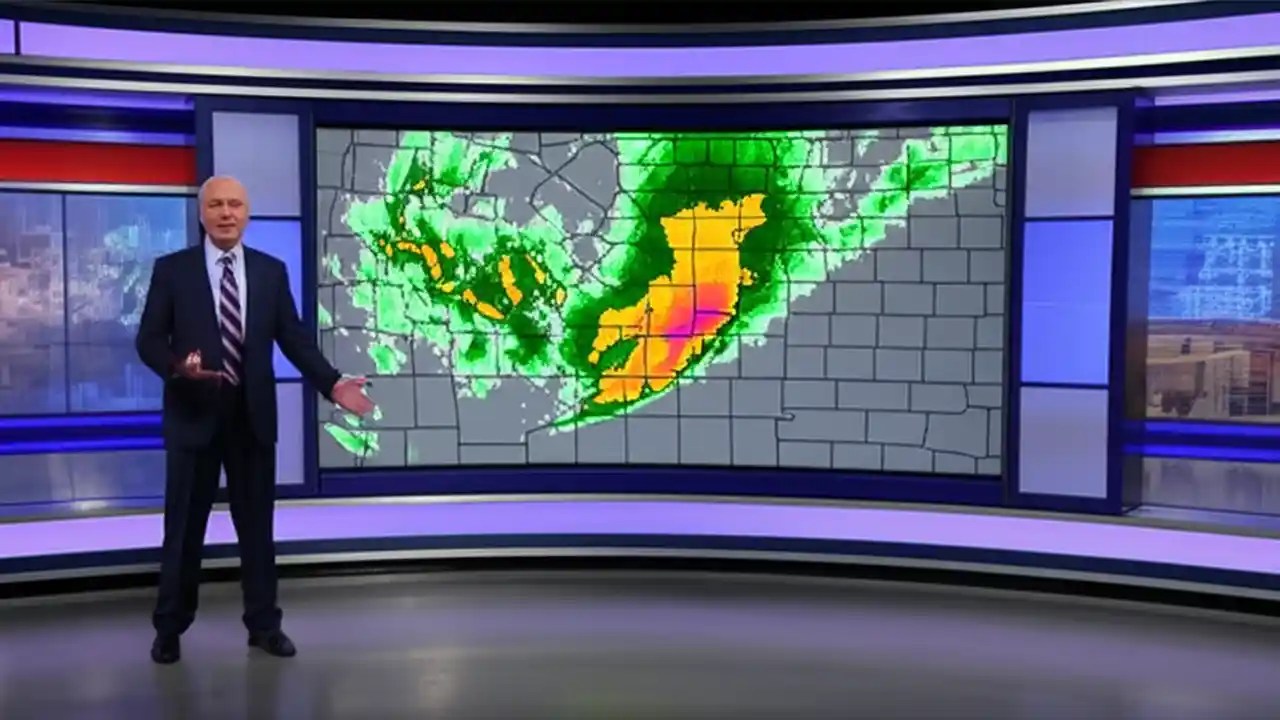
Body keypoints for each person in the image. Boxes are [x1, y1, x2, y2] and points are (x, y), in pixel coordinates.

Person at [136, 175, 374, 664]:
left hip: (252, 419)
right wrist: (177, 369)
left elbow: (294, 338)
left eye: (235, 205)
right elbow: (149, 339)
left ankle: (264, 625)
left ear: (247, 213)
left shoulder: (270, 271)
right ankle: (169, 629)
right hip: (193, 416)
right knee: (183, 531)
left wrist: (332, 383)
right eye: (216, 205)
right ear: (202, 213)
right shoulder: (172, 270)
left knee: (258, 530)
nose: (226, 213)